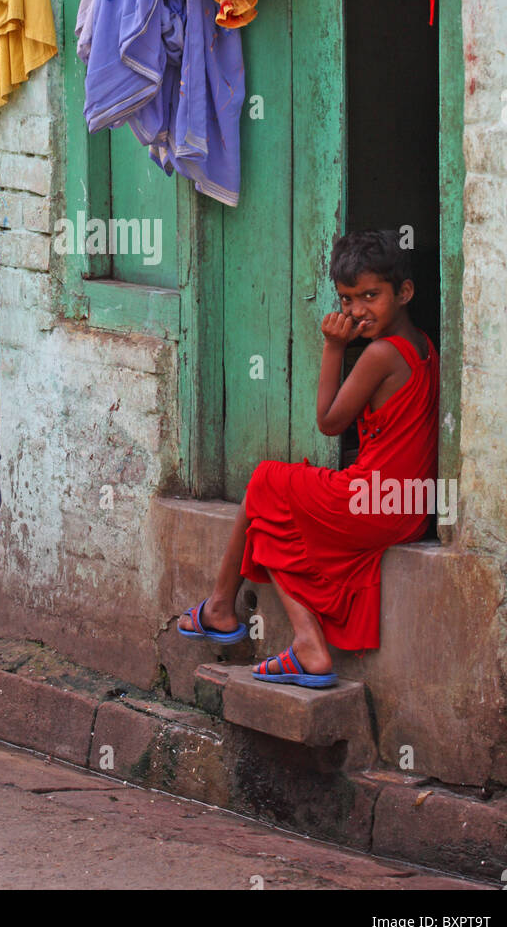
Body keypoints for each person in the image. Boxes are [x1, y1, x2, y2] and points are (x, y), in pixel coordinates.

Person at [177, 229, 440, 688]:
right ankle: (235, 614)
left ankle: (246, 617)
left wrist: (334, 347)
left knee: (263, 482)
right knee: (272, 506)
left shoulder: (380, 354)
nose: (357, 310)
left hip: (371, 503)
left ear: (404, 293)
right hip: (409, 510)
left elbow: (329, 422)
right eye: (347, 298)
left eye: (371, 295)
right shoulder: (423, 346)